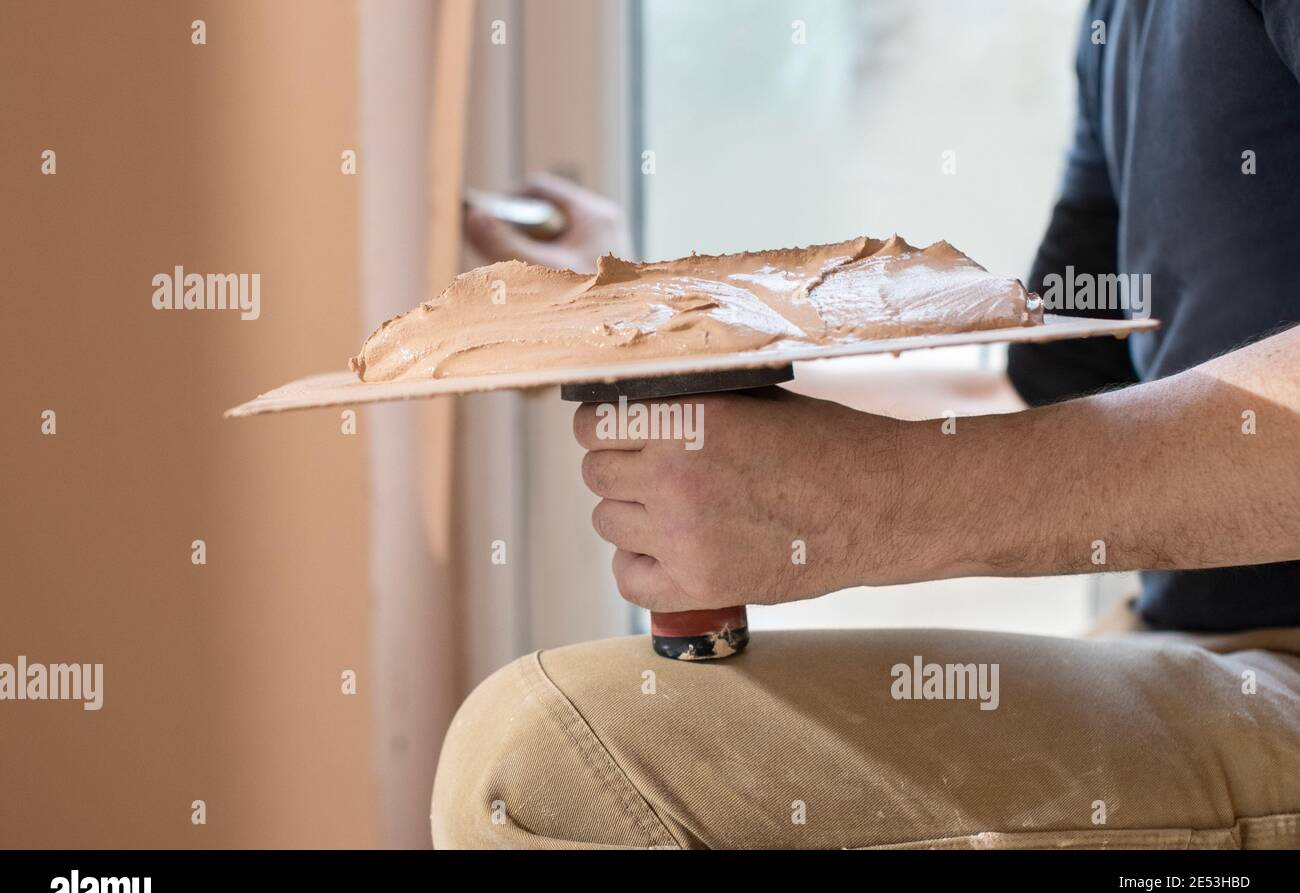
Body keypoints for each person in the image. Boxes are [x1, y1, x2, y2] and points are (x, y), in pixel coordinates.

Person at [433, 1, 1300, 849]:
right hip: (1186, 628)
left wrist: (890, 501)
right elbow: (1043, 390)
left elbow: (952, 466)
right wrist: (656, 330)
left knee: (538, 768)